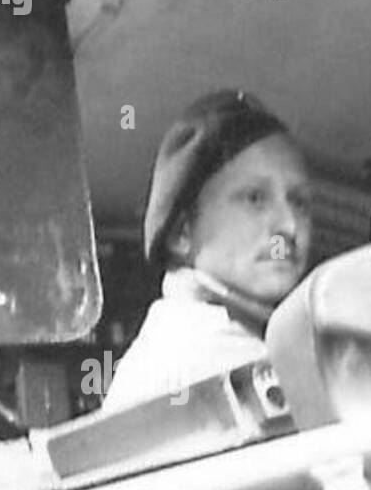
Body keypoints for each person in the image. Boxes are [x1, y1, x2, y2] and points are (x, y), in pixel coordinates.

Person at [102, 89, 314, 411]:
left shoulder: (257, 344)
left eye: (299, 202)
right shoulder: (196, 361)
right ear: (181, 232)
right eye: (255, 198)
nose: (289, 225)